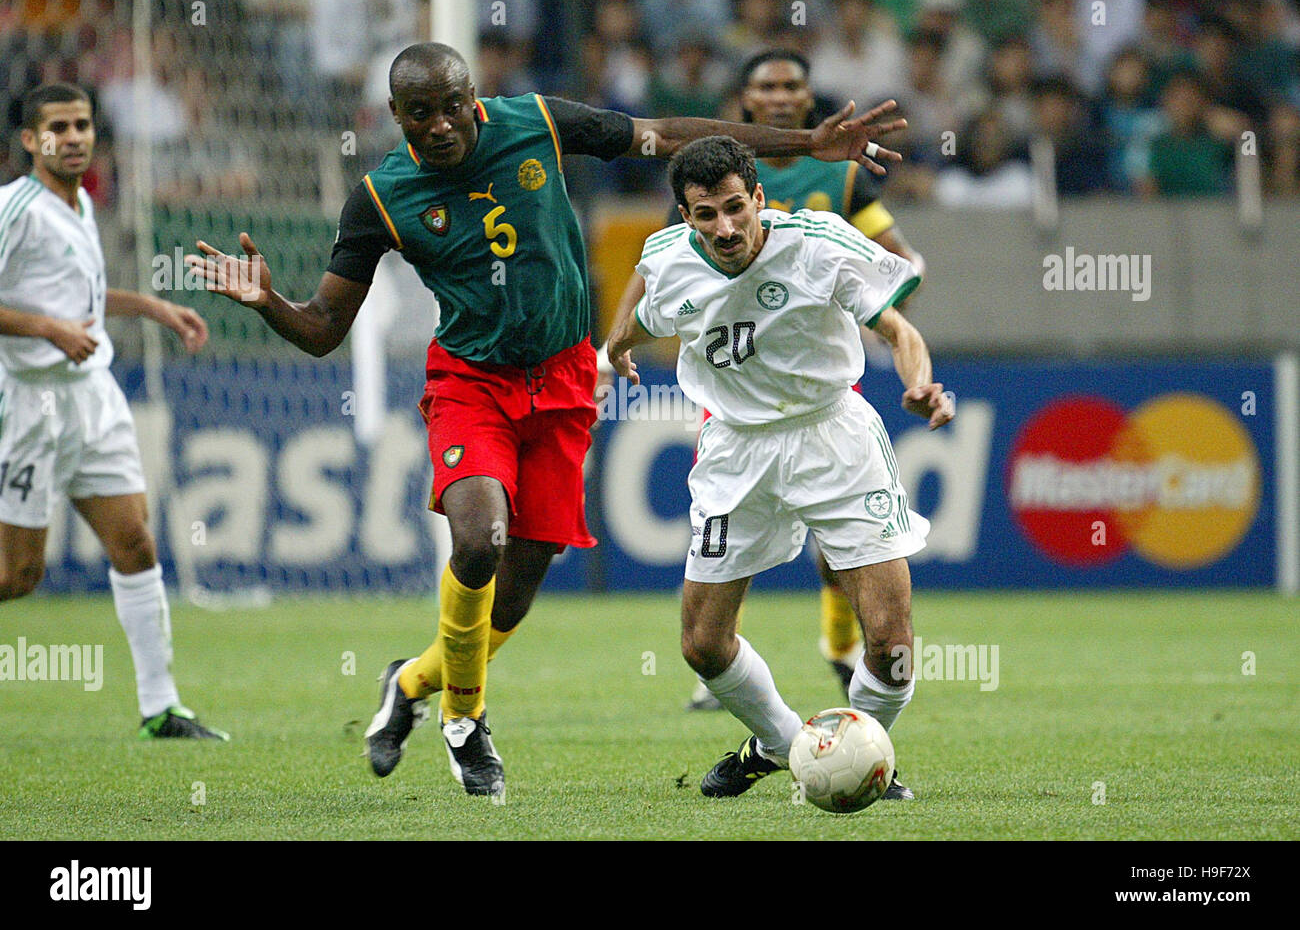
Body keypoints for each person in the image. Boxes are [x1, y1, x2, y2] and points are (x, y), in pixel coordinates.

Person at [186, 42, 905, 797]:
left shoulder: (537, 123)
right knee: (478, 538)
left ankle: (411, 680)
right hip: (472, 381)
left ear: (476, 97)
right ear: (396, 116)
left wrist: (806, 143)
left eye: (452, 104)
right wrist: (270, 302)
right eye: (420, 112)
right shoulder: (379, 198)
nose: (440, 124)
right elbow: (327, 325)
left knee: (519, 588)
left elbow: (662, 133)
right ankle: (466, 722)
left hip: (563, 383)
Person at [605, 135, 953, 801]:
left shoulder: (818, 243)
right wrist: (616, 349)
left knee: (890, 643)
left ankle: (861, 753)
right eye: (706, 215)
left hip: (833, 436)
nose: (726, 227)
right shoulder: (669, 261)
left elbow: (899, 331)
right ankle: (781, 742)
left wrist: (919, 384)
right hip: (737, 449)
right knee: (703, 644)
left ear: (760, 197)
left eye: (737, 207)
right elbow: (638, 319)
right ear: (685, 216)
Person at [0, 83, 223, 740]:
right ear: (30, 140)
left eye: (83, 125)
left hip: (93, 399)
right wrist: (46, 329)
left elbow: (84, 301)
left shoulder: (82, 204)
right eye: (58, 127)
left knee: (134, 541)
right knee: (17, 575)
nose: (73, 137)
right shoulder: (17, 208)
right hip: (32, 407)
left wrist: (154, 306)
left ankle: (161, 706)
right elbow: (50, 314)